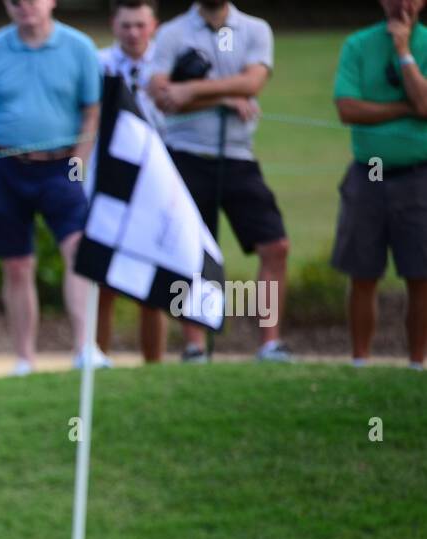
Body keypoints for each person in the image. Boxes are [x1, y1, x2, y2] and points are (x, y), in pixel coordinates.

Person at [149, 0, 292, 362]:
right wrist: (228, 95)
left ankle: (269, 344)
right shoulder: (172, 33)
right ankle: (195, 347)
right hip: (185, 156)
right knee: (188, 251)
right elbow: (162, 95)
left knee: (275, 246)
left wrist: (194, 90)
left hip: (238, 156)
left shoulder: (255, 29)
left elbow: (254, 81)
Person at [0, 0, 104, 375]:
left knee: (78, 250)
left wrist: (79, 167)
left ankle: (84, 348)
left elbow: (91, 113)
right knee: (16, 264)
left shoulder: (79, 47)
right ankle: (24, 358)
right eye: (15, 1)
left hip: (63, 165)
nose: (24, 7)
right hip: (4, 166)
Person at [332, 0, 427, 370]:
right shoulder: (358, 45)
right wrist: (404, 109)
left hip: (418, 176)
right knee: (363, 272)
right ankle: (360, 362)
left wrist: (403, 52)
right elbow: (347, 108)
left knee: (420, 274)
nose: (399, 3)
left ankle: (417, 364)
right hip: (367, 174)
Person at [95, 0, 173, 364]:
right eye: (126, 25)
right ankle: (97, 359)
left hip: (158, 184)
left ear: (154, 25)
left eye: (140, 25)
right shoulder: (97, 64)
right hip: (110, 181)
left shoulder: (168, 63)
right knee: (102, 278)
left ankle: (154, 365)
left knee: (152, 277)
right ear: (114, 24)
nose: (133, 33)